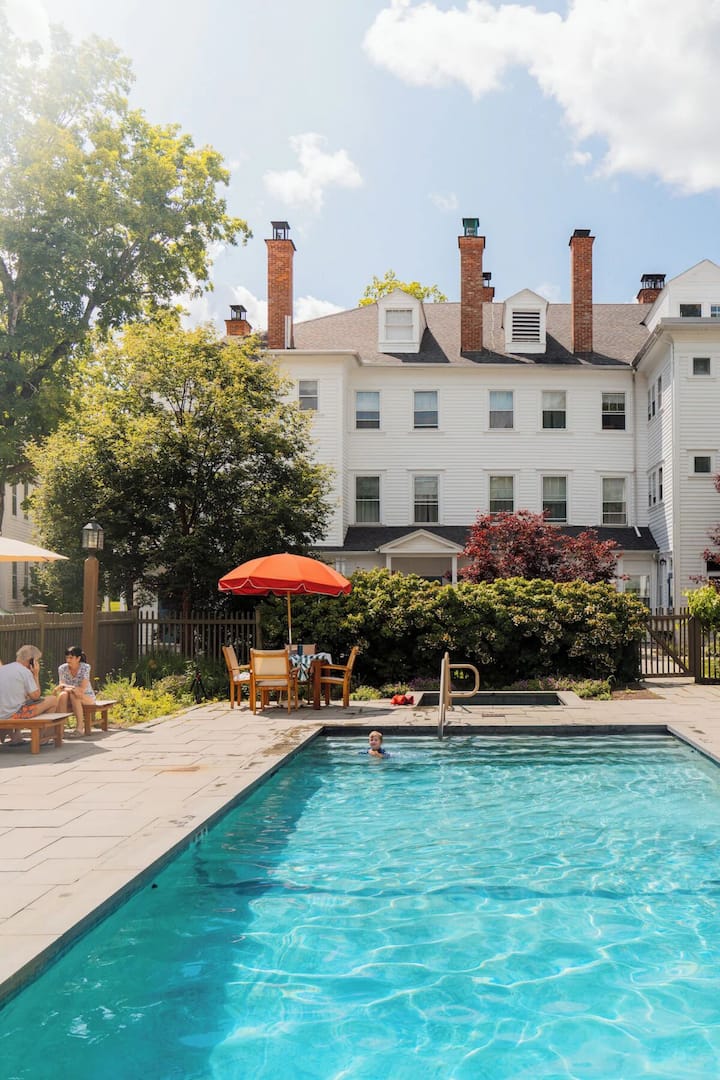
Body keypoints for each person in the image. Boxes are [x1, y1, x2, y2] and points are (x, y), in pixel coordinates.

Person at [0, 644, 60, 746]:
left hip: (3, 712)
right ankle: (40, 739)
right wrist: (35, 675)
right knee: (53, 700)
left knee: (22, 701)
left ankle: (16, 737)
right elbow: (35, 696)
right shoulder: (25, 672)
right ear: (31, 661)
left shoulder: (3, 668)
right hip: (13, 715)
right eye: (36, 660)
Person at [55, 646, 96, 735]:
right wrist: (71, 688)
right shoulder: (62, 668)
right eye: (67, 657)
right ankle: (60, 729)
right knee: (62, 695)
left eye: (71, 657)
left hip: (86, 696)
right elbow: (61, 687)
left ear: (78, 658)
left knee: (75, 695)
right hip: (68, 696)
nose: (68, 660)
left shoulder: (85, 667)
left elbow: (81, 690)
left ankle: (80, 727)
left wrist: (68, 687)